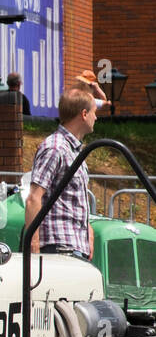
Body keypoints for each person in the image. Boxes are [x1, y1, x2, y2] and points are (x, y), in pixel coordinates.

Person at [26, 87, 97, 259]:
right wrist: (33, 242)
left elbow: (71, 198)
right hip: (58, 246)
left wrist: (88, 229)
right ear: (84, 114)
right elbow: (34, 198)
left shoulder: (73, 150)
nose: (96, 117)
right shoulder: (55, 147)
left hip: (73, 244)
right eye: (94, 112)